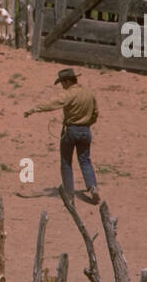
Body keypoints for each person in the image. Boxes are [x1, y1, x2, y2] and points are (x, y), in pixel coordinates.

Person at [24, 67, 100, 204]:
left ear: (68, 81)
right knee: (85, 160)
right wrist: (87, 123)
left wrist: (33, 110)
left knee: (66, 162)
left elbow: (51, 104)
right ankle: (92, 187)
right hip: (86, 130)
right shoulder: (89, 93)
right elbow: (95, 113)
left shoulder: (68, 95)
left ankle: (69, 193)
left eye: (62, 83)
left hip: (70, 130)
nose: (62, 87)